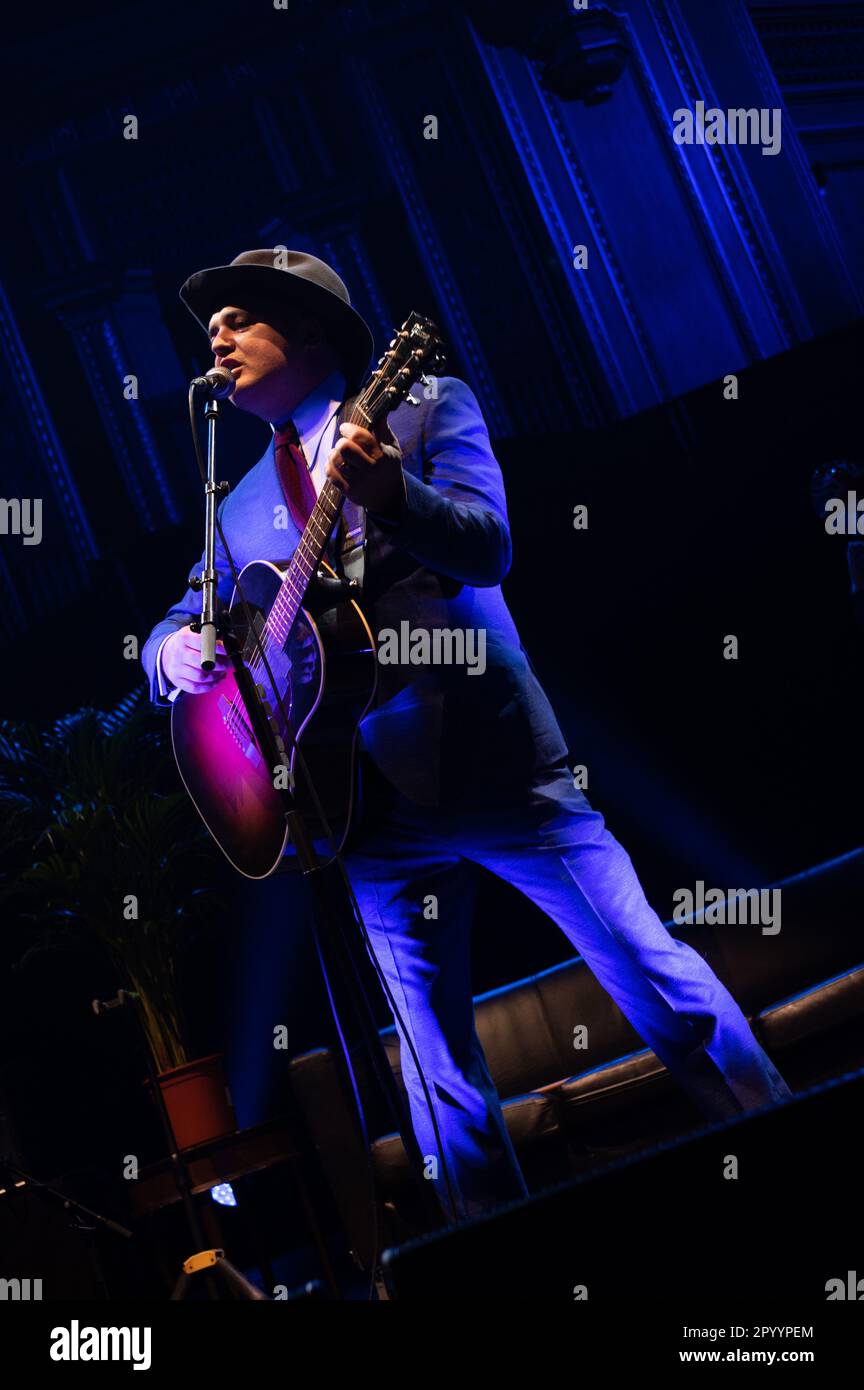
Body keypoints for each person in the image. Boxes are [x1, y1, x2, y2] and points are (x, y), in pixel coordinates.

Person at [141, 249, 792, 1223]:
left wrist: (398, 497)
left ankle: (786, 1141)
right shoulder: (232, 506)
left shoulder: (423, 402)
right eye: (210, 332)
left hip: (489, 761)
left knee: (646, 969)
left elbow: (490, 546)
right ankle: (493, 1257)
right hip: (358, 804)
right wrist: (169, 657)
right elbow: (174, 623)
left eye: (236, 318)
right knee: (438, 1074)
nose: (217, 341)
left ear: (310, 328)